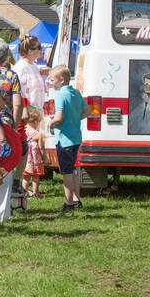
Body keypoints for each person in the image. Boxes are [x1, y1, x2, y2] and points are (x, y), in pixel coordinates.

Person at [0, 37, 24, 225]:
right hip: (5, 124)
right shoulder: (11, 76)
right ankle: (0, 212)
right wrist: (15, 125)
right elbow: (17, 105)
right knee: (4, 167)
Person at [48, 65, 87, 211]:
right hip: (76, 136)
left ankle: (69, 202)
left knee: (66, 172)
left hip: (64, 138)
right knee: (74, 170)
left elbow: (59, 117)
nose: (50, 82)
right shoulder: (76, 93)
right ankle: (77, 200)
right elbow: (87, 111)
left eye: (52, 80)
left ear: (61, 80)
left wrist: (51, 122)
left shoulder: (60, 94)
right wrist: (75, 119)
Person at [12, 35, 48, 113]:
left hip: (37, 111)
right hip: (28, 111)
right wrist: (24, 108)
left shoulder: (34, 66)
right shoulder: (20, 68)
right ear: (30, 51)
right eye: (39, 47)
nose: (41, 49)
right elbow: (17, 91)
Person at [23, 106, 46, 196]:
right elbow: (41, 147)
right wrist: (44, 157)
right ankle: (35, 192)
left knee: (26, 177)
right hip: (35, 160)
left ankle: (24, 191)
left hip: (26, 159)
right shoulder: (37, 134)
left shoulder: (24, 130)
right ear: (35, 122)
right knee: (35, 176)